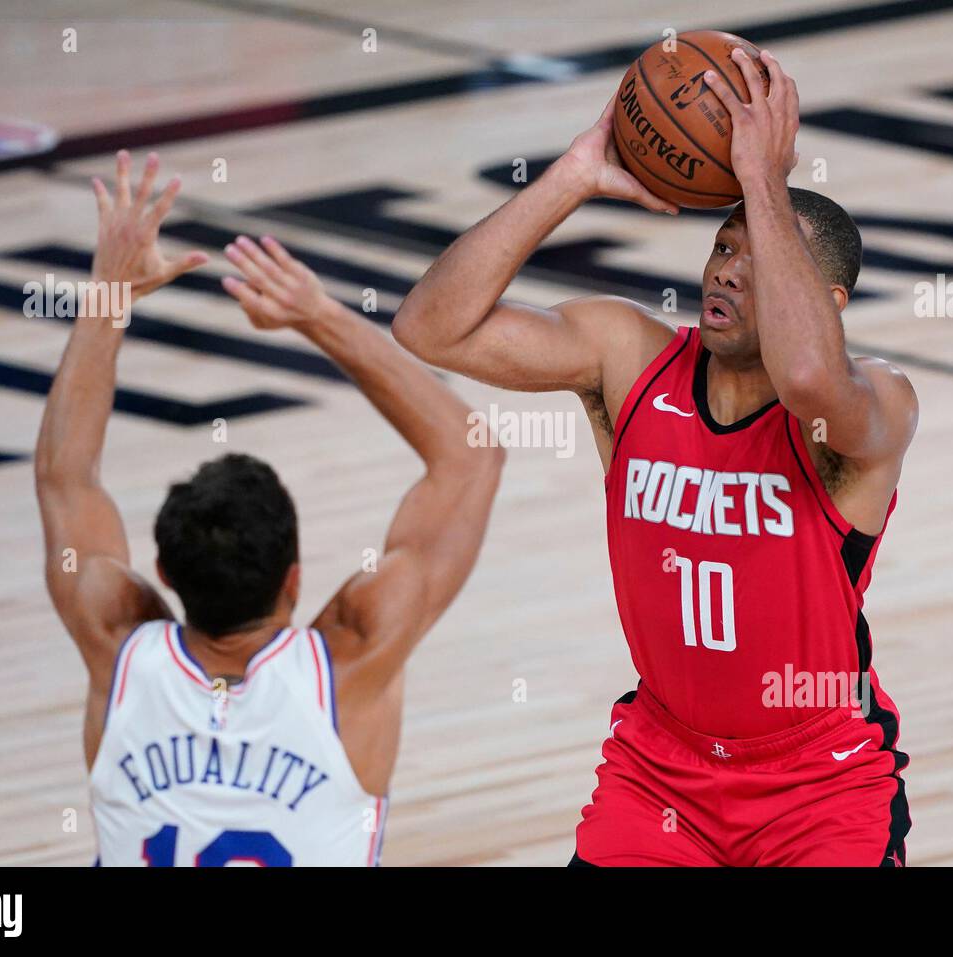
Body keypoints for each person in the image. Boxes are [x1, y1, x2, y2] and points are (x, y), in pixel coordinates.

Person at [392, 49, 917, 866]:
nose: (730, 272)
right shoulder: (629, 358)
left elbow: (810, 371)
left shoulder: (870, 406)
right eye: (722, 246)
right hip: (661, 771)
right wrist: (571, 175)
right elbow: (431, 328)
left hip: (821, 783)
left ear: (828, 301)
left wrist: (763, 179)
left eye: (760, 256)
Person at [35, 150, 503, 866]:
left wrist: (109, 293)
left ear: (162, 569)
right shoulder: (353, 656)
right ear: (294, 576)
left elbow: (66, 479)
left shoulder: (118, 637)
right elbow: (472, 453)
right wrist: (316, 315)